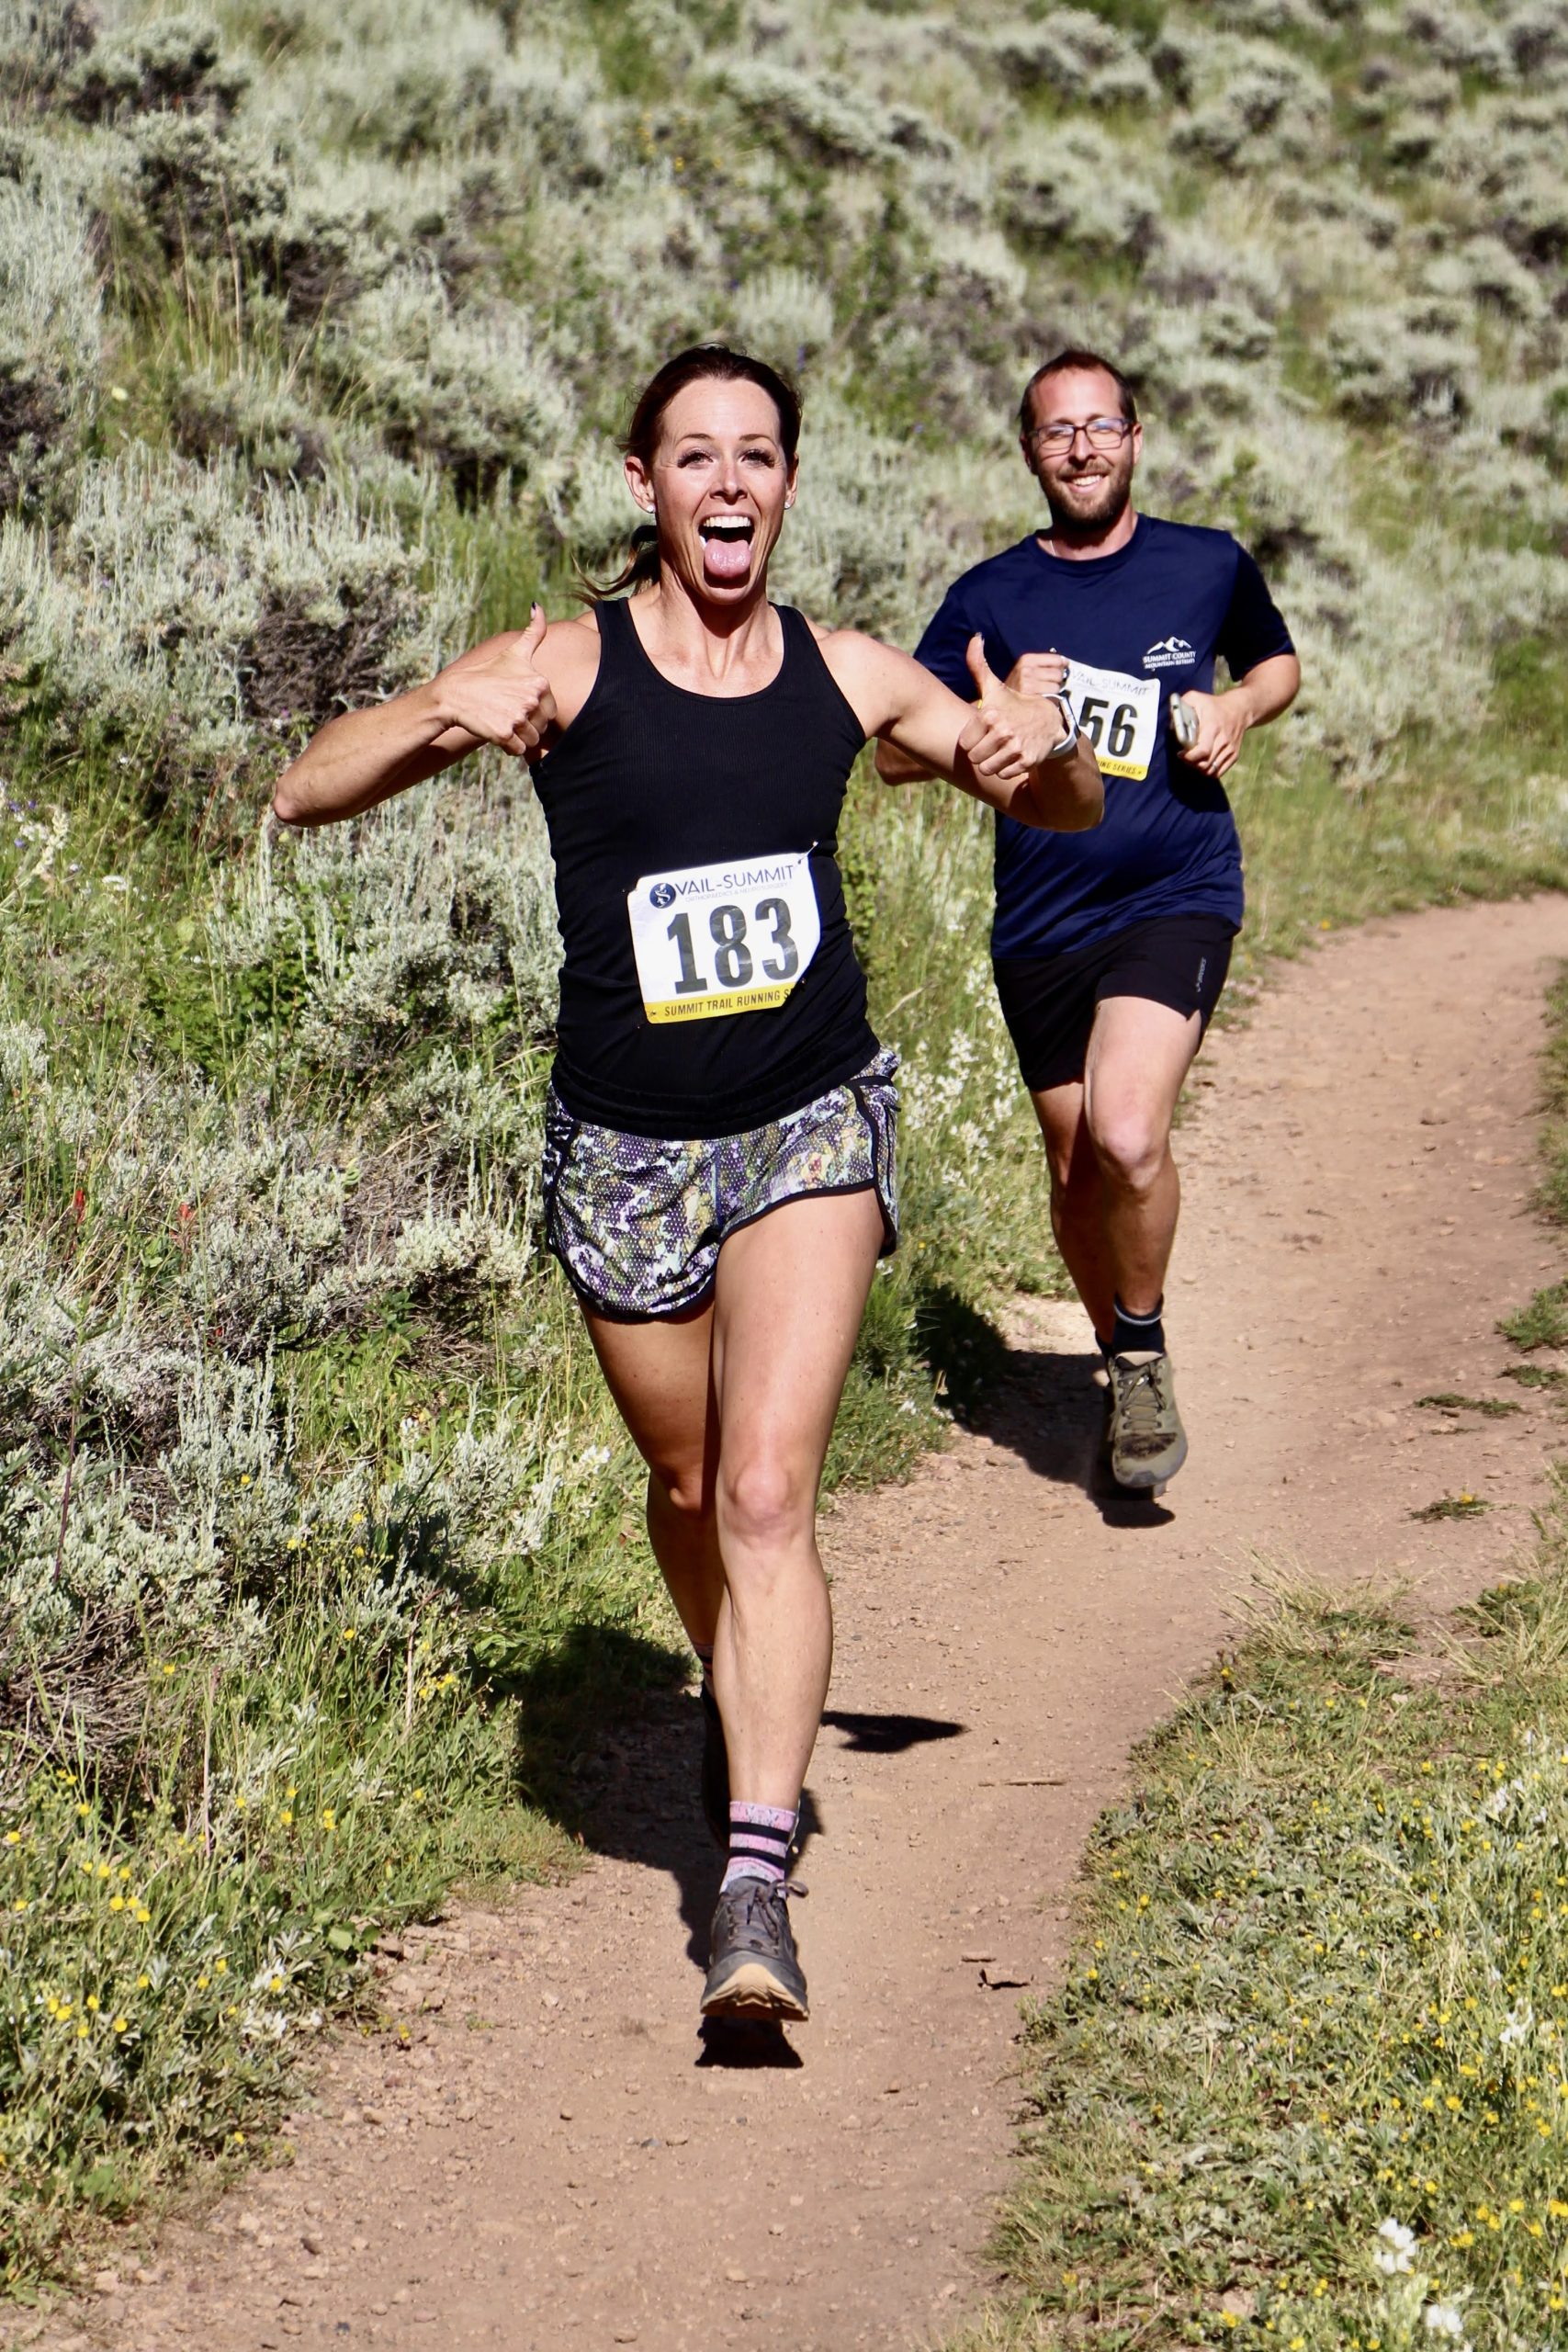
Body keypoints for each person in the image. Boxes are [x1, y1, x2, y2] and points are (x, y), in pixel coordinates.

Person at [271, 345, 1102, 2026]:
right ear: (644, 485)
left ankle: (747, 1881)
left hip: (808, 1122)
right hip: (625, 1154)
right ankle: (747, 1693)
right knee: (687, 1482)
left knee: (767, 1494)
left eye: (759, 456)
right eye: (696, 456)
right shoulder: (558, 666)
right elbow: (304, 790)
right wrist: (445, 708)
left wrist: (1045, 749)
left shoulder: (854, 673)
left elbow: (1060, 801)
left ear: (787, 488)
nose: (730, 482)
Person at [878, 347, 1299, 1496]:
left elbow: (1276, 662)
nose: (1081, 448)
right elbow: (891, 754)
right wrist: (993, 711)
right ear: (1029, 451)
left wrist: (1236, 708)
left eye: (1100, 426)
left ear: (1135, 438)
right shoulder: (988, 597)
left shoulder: (1206, 564)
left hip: (1176, 893)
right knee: (1074, 1177)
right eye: (1057, 432)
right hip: (1044, 923)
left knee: (1125, 1133)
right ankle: (1121, 1362)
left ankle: (1147, 1347)